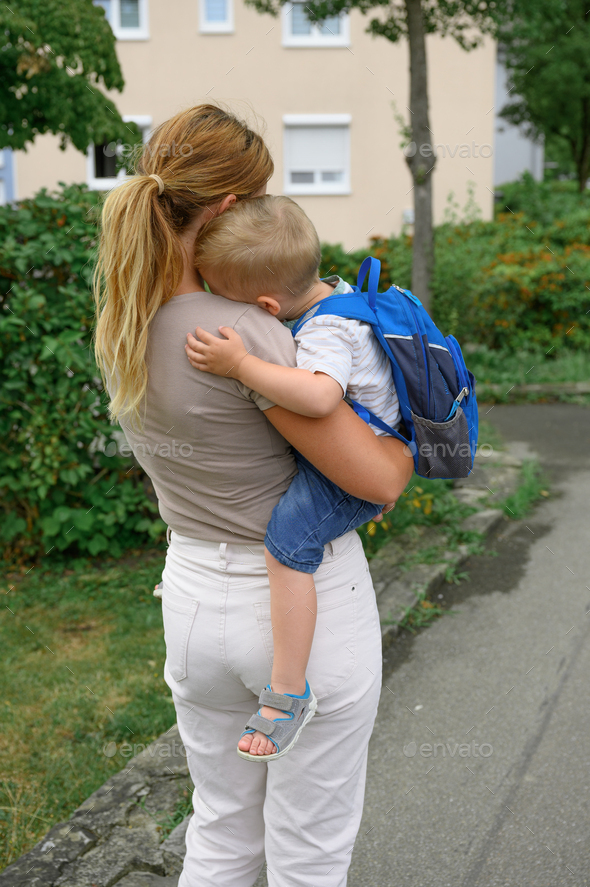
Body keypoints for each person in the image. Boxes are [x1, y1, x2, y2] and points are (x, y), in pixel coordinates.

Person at [94, 103, 413, 887]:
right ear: (228, 208)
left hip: (192, 602)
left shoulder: (124, 324)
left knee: (220, 830)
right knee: (309, 851)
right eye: (260, 201)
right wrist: (406, 447)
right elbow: (376, 478)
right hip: (298, 611)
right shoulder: (247, 336)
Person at [185, 195, 401, 761]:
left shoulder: (325, 332)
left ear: (265, 305)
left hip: (347, 474)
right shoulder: (337, 295)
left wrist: (241, 365)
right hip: (369, 455)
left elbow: (321, 396)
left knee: (286, 548)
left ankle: (287, 690)